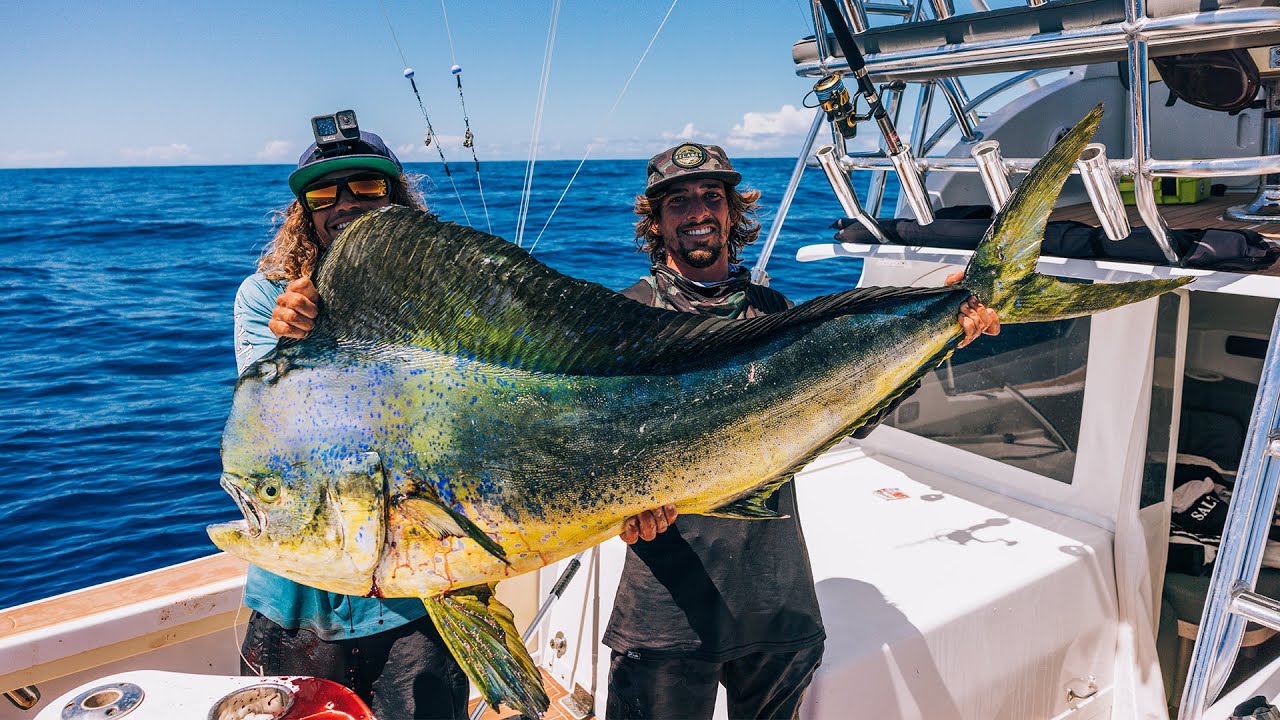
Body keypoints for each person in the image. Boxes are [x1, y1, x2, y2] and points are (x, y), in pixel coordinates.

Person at [602, 142, 999, 720]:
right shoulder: (625, 320)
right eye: (678, 201)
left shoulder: (775, 313)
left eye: (712, 196)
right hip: (667, 612)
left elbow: (857, 415)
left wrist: (943, 328)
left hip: (776, 601)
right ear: (656, 221)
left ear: (732, 212)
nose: (697, 211)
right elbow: (601, 449)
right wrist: (620, 509)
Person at [232, 116, 469, 720]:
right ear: (304, 212)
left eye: (365, 187)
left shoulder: (442, 298)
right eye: (323, 193)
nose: (344, 204)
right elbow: (269, 418)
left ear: (395, 197)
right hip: (298, 590)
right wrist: (293, 343)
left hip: (418, 584)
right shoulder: (266, 297)